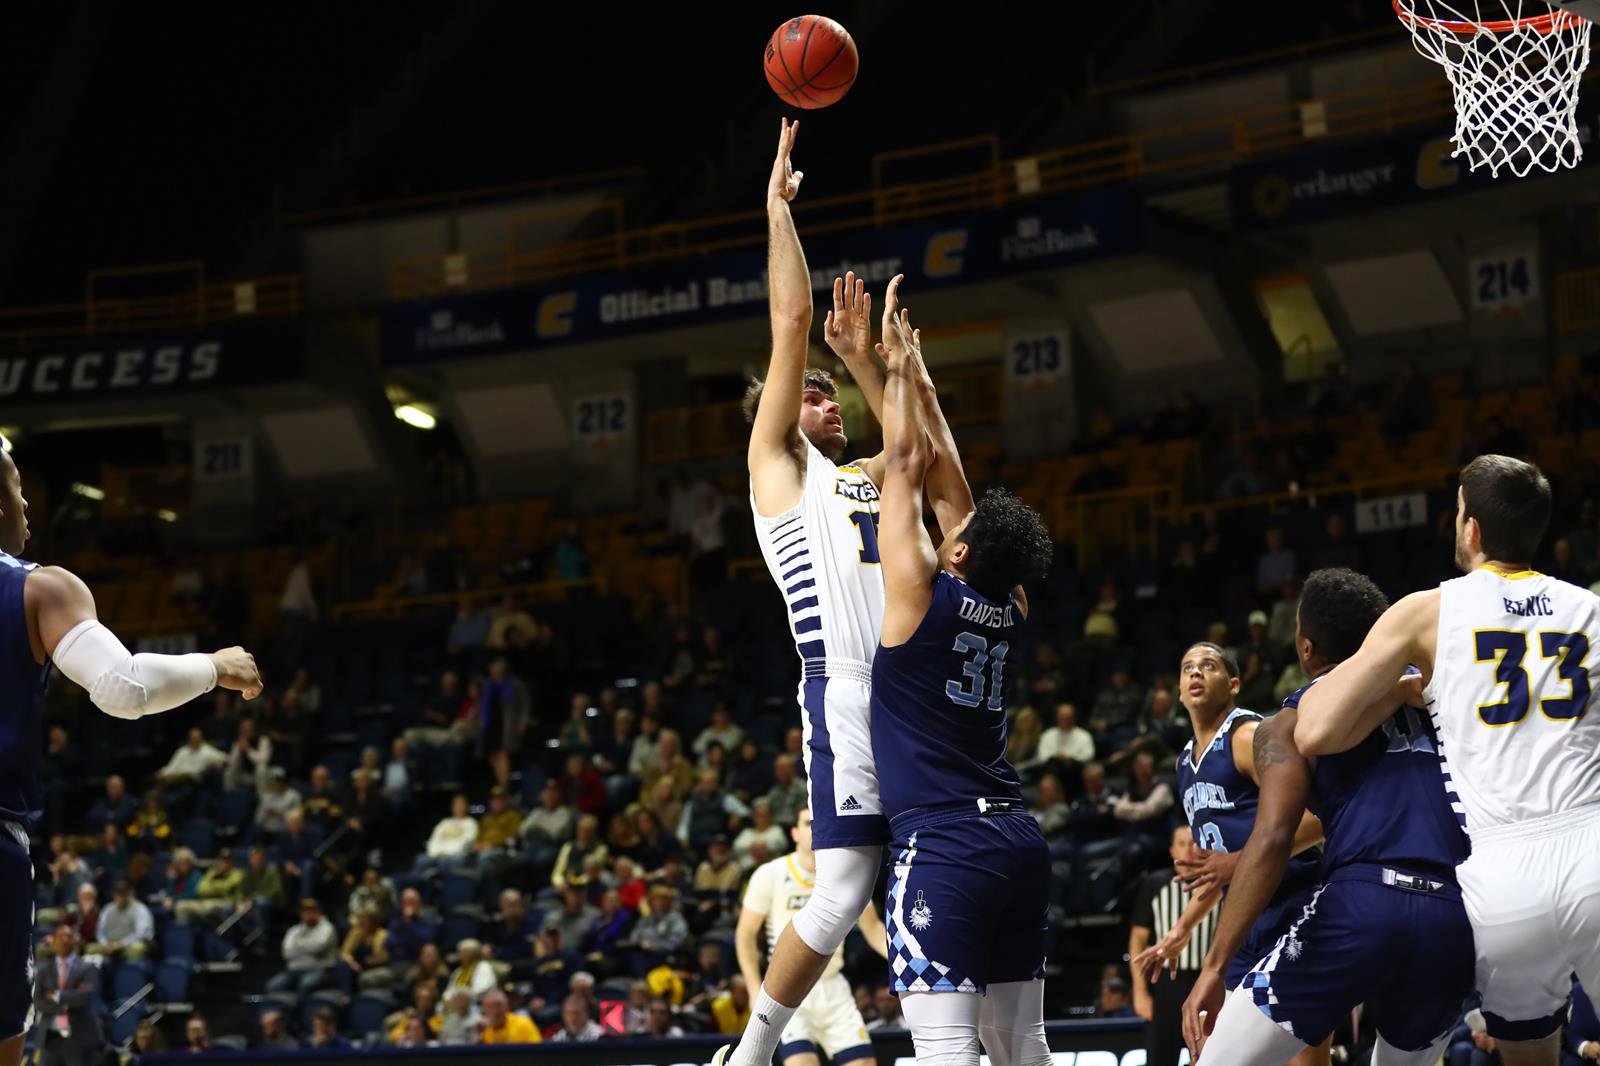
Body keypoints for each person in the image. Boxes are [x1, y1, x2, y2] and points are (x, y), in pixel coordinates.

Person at [720, 122, 967, 1066]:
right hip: (848, 686)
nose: (825, 400)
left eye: (833, 394)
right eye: (811, 393)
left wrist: (877, 361)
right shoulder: (780, 468)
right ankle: (752, 1051)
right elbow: (790, 323)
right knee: (841, 887)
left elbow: (933, 466)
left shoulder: (867, 473)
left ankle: (958, 1039)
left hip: (916, 686)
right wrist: (778, 211)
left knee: (932, 866)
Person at [1296, 455, 1600, 1066]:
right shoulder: (1590, 609)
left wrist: (1405, 690)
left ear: (1473, 529)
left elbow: (1315, 730)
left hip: (1503, 873)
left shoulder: (1428, 611)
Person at [0, 448, 260, 1066]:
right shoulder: (38, 587)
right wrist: (215, 665)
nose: (27, 503)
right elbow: (124, 687)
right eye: (16, 486)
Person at [862, 290, 1056, 1066]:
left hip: (945, 843)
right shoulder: (1011, 603)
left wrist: (896, 374)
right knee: (1022, 1046)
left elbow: (908, 464)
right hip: (1016, 839)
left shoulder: (920, 593)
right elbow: (953, 491)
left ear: (962, 553)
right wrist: (920, 377)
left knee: (948, 1053)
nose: (954, 528)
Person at [1185, 568, 1474, 1065]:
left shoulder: (1290, 720)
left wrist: (1214, 966)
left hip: (1361, 903)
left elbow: (1273, 837)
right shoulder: (1439, 692)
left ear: (1306, 648)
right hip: (1455, 913)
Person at [1134, 642, 1327, 1066]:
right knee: (1214, 1053)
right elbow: (1215, 869)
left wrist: (1238, 861)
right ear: (1179, 691)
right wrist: (1181, 930)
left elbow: (1318, 818)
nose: (1196, 673)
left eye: (1208, 666)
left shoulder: (1245, 737)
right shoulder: (1184, 764)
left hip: (1295, 904)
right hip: (1244, 920)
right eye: (1187, 667)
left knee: (1304, 1059)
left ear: (1234, 684)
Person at [735, 808, 887, 1066]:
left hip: (833, 987)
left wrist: (907, 967)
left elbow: (873, 929)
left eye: (819, 822)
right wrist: (753, 989)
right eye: (807, 823)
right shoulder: (770, 873)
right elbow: (745, 935)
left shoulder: (846, 872)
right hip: (787, 983)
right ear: (794, 833)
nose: (814, 829)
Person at [1129, 826, 1218, 1066]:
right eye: (1182, 843)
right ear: (1171, 850)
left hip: (1207, 980)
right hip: (1167, 983)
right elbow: (1137, 940)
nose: (1188, 850)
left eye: (1193, 843)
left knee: (1207, 1056)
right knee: (1161, 1057)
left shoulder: (1218, 880)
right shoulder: (1155, 883)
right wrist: (1140, 992)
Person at [35, 925, 105, 1066]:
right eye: (60, 936)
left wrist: (56, 996)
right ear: (52, 941)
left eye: (69, 936)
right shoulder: (43, 970)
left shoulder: (88, 968)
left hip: (79, 1037)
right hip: (50, 1038)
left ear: (76, 941)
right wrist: (65, 1007)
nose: (65, 940)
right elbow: (38, 1001)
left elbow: (86, 996)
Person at [268, 898, 337, 997]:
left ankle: (302, 1006)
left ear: (318, 912)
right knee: (273, 985)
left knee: (305, 984)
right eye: (305, 911)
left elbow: (317, 948)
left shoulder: (327, 928)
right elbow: (287, 953)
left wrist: (298, 945)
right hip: (293, 970)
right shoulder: (294, 930)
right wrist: (308, 945)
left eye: (311, 910)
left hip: (319, 969)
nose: (308, 914)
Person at [94, 881, 154, 962]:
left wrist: (121, 943)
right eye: (118, 893)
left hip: (129, 945)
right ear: (113, 894)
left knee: (137, 948)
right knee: (90, 949)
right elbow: (100, 932)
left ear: (129, 894)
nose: (120, 896)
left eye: (123, 894)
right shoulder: (107, 909)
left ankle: (132, 970)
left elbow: (142, 933)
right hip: (109, 944)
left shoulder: (140, 909)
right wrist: (105, 944)